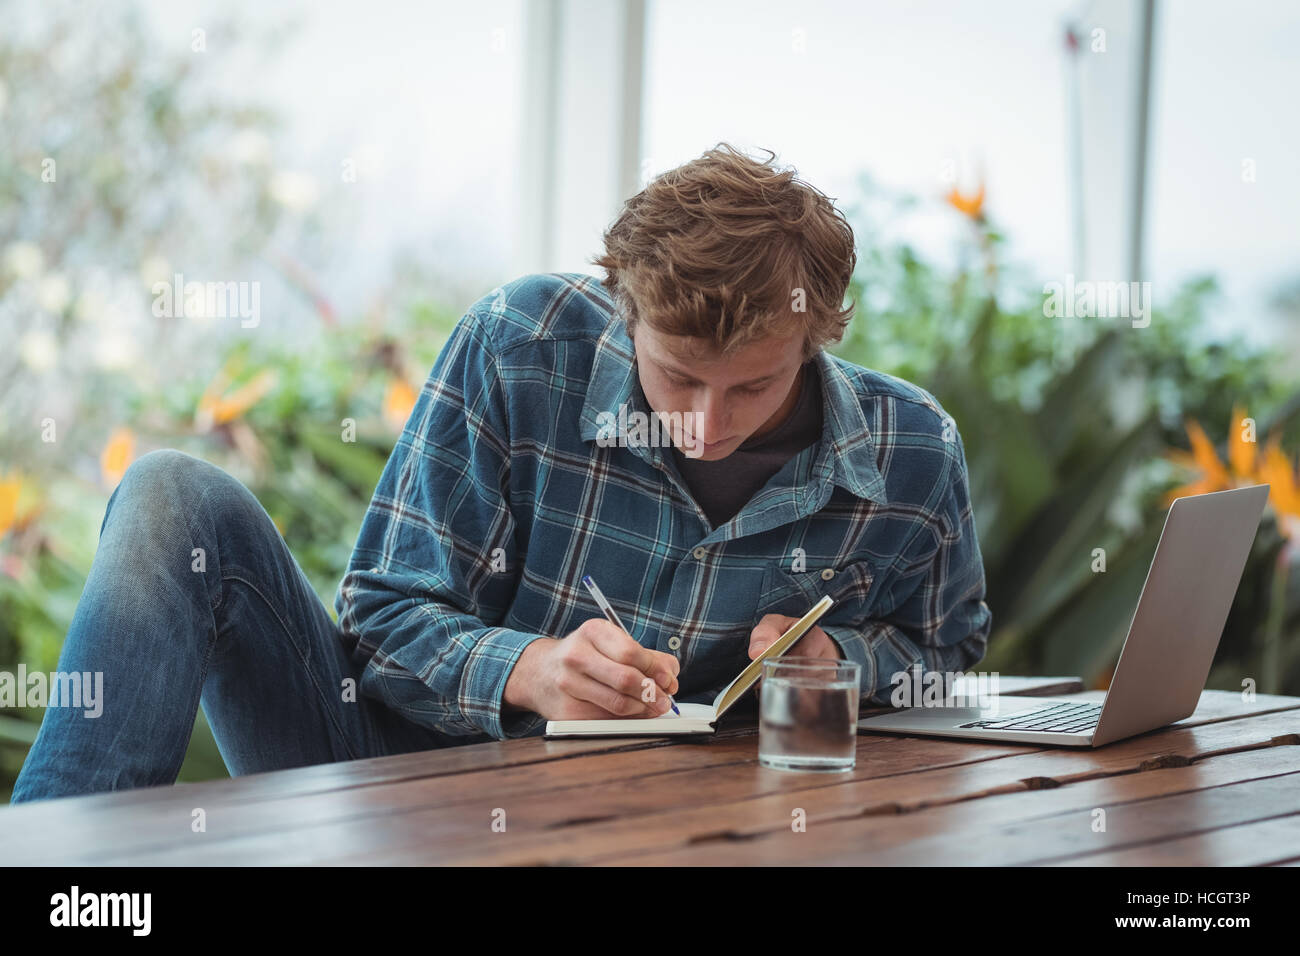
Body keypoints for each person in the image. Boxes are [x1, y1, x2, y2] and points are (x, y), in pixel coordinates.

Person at [12, 143, 990, 803]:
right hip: (395, 776)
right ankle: (63, 873)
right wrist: (529, 667)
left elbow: (948, 653)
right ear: (623, 305)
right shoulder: (521, 342)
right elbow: (387, 612)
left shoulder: (912, 449)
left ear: (818, 338)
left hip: (669, 818)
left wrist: (840, 667)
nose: (705, 423)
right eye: (678, 376)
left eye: (756, 387)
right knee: (173, 493)